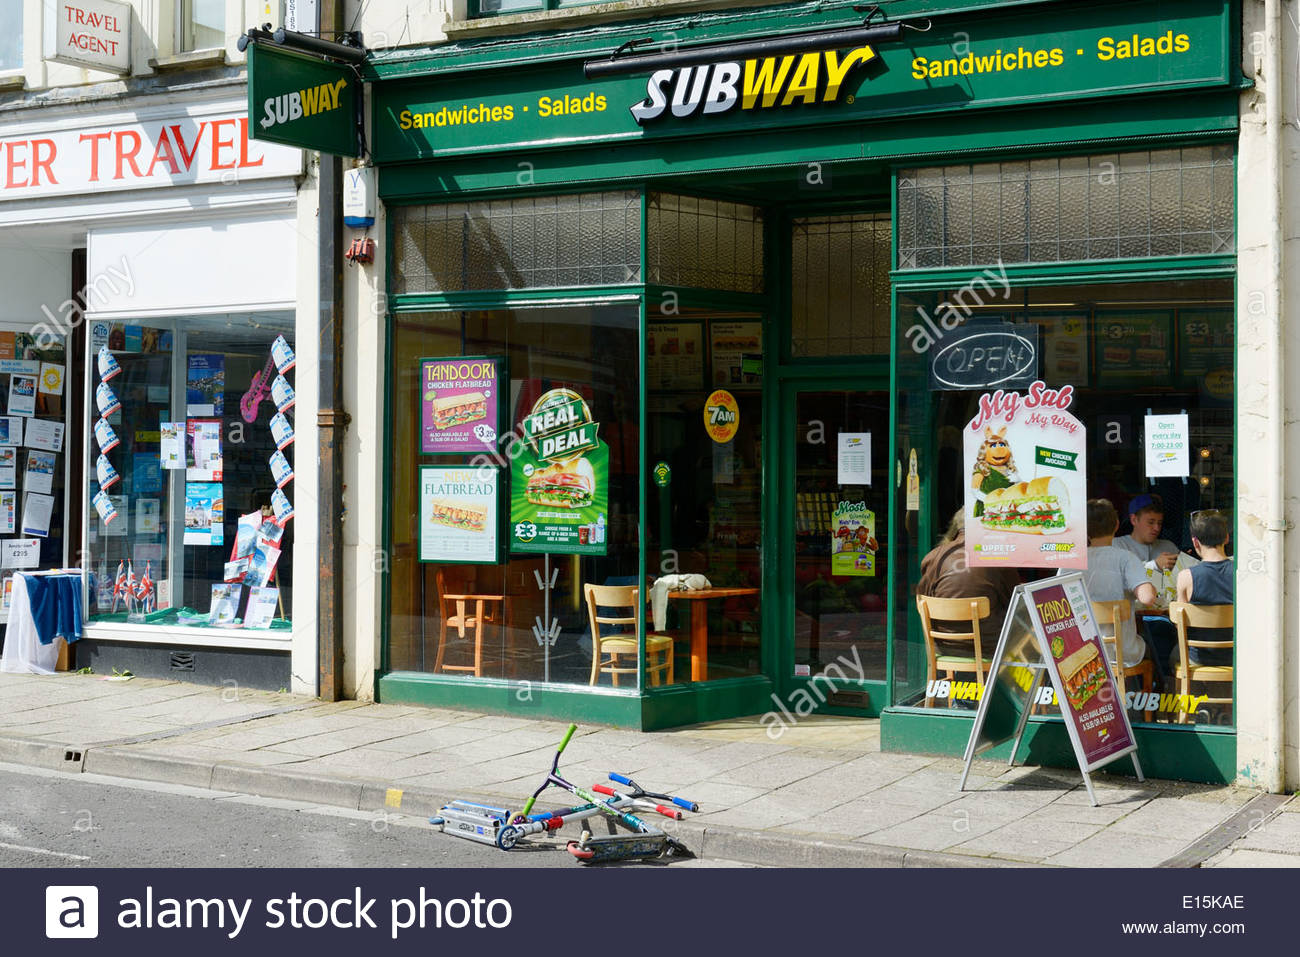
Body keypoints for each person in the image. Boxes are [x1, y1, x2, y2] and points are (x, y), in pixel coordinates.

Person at [1081, 499, 1159, 671]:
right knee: (1157, 644)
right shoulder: (1126, 558)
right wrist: (1151, 587)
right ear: (1116, 525)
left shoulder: (1072, 560)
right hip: (1122, 653)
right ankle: (1145, 696)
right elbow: (1147, 598)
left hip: (1082, 651)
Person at [917, 509, 1019, 638]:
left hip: (942, 646)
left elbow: (923, 599)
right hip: (990, 648)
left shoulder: (934, 557)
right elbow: (1015, 600)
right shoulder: (998, 556)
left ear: (956, 527)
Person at [1173, 509, 1234, 667]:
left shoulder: (1186, 577)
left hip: (1198, 658)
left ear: (1195, 542)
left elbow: (1180, 624)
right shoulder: (1240, 574)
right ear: (1226, 537)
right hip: (1235, 655)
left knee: (1171, 652)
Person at [1113, 493, 1181, 573]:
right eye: (1151, 522)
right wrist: (1155, 565)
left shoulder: (1169, 547)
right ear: (1134, 520)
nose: (1157, 528)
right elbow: (1118, 576)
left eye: (1159, 523)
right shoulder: (1117, 546)